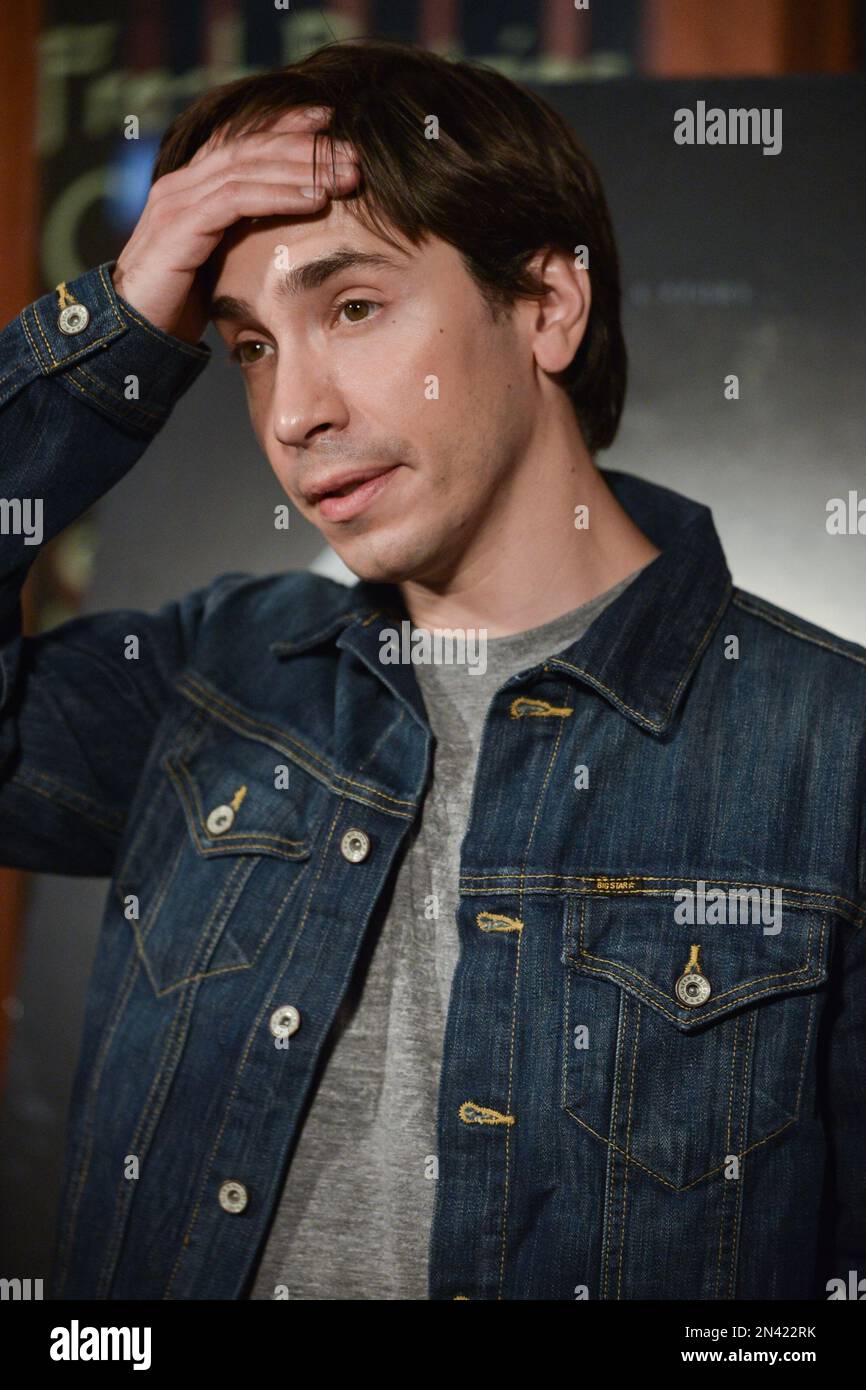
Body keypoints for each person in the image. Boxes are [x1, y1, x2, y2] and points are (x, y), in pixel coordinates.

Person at [0, 37, 863, 1302]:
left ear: (546, 307)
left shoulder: (827, 750)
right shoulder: (210, 676)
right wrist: (117, 324)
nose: (293, 411)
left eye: (351, 308)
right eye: (246, 346)